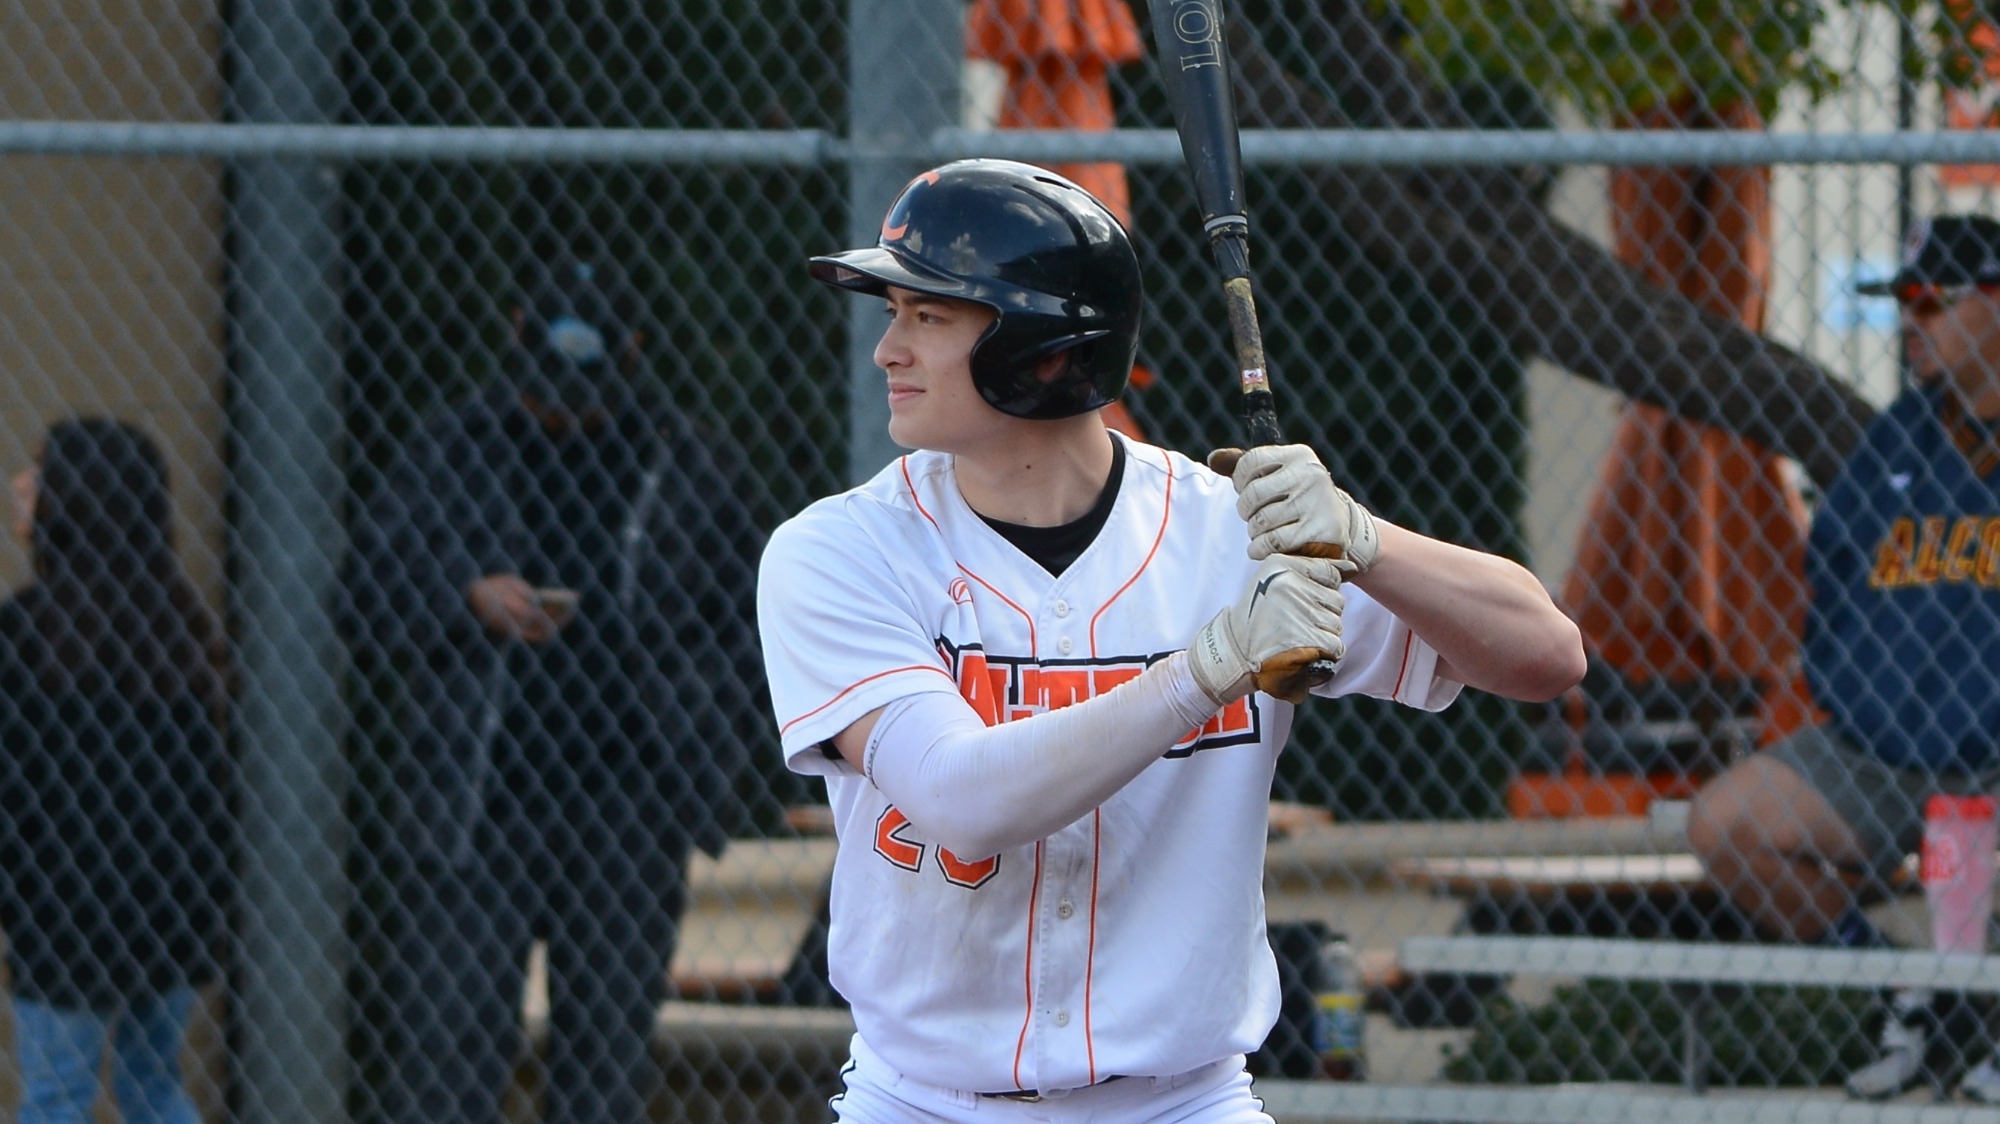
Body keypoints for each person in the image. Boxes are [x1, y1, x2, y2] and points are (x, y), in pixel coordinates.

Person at [756, 158, 1585, 1120]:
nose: (887, 350)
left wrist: (1365, 539)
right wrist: (1208, 669)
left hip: (1183, 1104)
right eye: (894, 313)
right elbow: (959, 798)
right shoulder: (841, 551)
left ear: (1046, 349)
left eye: (927, 317)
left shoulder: (1225, 537)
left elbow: (1546, 657)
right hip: (928, 1103)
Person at [342, 250, 764, 1124]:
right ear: (515, 339)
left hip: (630, 801)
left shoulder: (689, 462)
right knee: (447, 1049)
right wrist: (465, 599)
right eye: (544, 395)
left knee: (604, 1060)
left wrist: (709, 724)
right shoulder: (453, 448)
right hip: (477, 800)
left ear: (636, 353)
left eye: (587, 397)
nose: (564, 420)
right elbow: (359, 593)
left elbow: (756, 621)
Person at [1686, 214, 2000, 1102]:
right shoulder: (1899, 440)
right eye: (1903, 304)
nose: (1912, 323)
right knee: (1728, 824)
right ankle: (1914, 998)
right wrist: (1858, 694)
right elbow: (1831, 582)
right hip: (1885, 751)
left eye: (1930, 303)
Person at [0, 419, 233, 1124]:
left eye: (38, 472)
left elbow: (13, 793)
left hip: (60, 920)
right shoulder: (181, 632)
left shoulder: (25, 635)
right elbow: (205, 799)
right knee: (154, 1090)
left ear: (74, 499)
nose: (19, 485)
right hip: (167, 915)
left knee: (56, 1097)